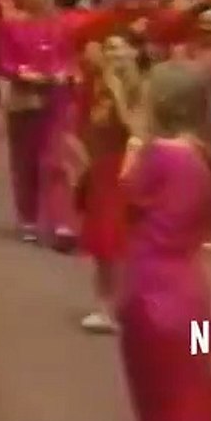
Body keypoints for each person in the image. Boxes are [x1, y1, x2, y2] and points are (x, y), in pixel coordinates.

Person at [117, 60, 211, 421]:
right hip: (189, 289)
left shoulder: (159, 155)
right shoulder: (204, 155)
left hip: (151, 291)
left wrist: (132, 149)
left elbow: (124, 198)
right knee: (189, 401)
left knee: (164, 414)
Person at [0, 0, 79, 243]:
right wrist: (21, 72)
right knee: (25, 161)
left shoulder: (65, 25)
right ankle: (28, 217)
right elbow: (3, 61)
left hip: (58, 98)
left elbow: (73, 58)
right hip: (24, 99)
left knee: (57, 160)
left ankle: (61, 221)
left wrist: (66, 72)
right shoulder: (12, 25)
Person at [77, 30, 147, 333]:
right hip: (100, 168)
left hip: (127, 169)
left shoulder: (143, 87)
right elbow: (85, 124)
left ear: (134, 52)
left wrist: (117, 91)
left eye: (119, 48)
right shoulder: (96, 85)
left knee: (118, 239)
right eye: (108, 48)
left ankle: (122, 307)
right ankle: (103, 307)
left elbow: (137, 129)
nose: (113, 54)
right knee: (102, 243)